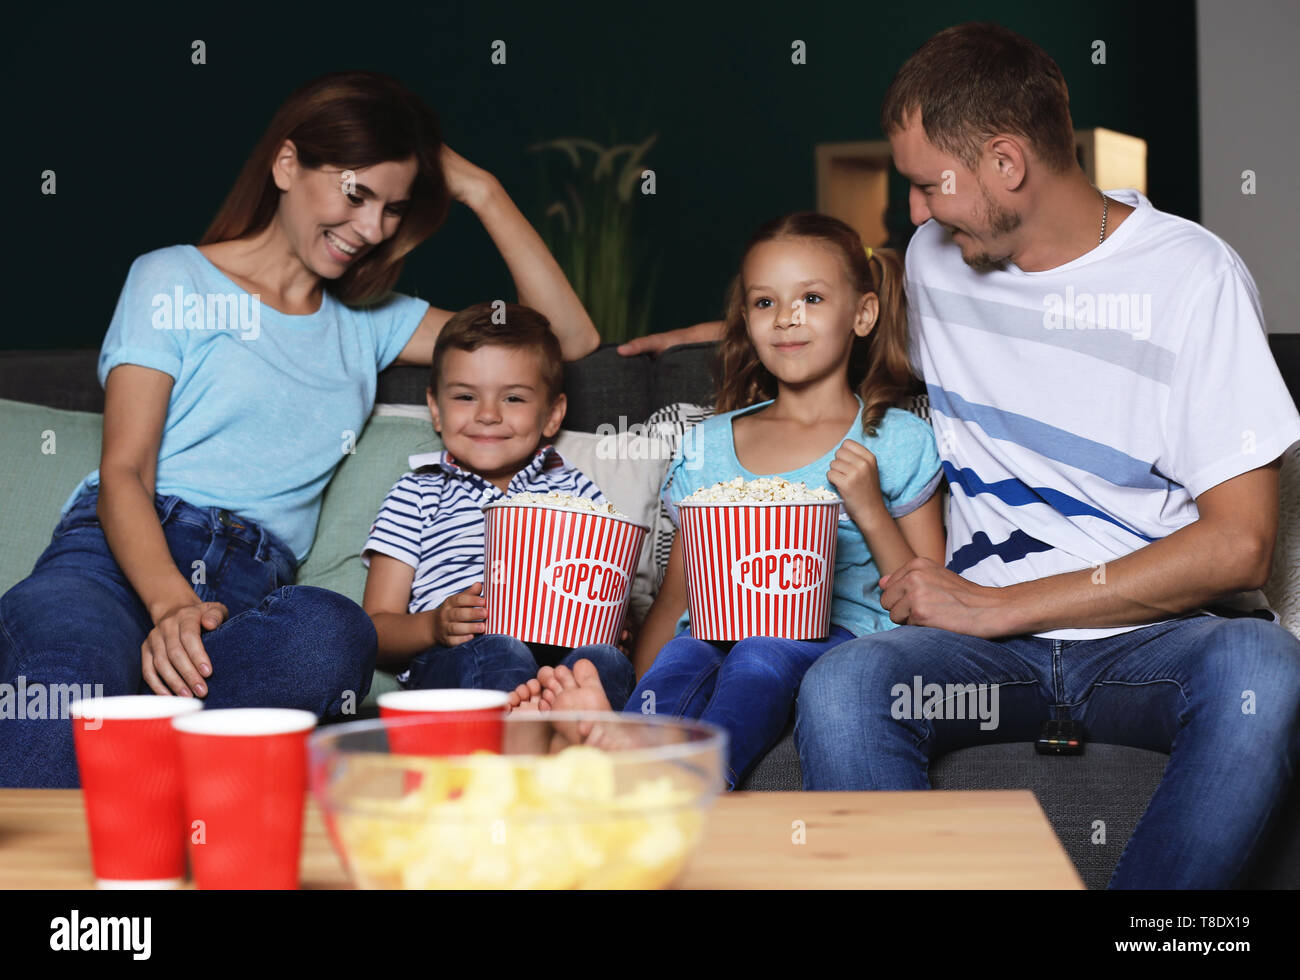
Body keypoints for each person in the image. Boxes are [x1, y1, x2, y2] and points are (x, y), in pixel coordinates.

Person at [785, 23, 1299, 889]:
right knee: (844, 687)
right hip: (984, 665)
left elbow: (1240, 544)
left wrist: (1000, 606)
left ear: (1006, 163)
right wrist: (724, 339)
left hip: (1147, 648)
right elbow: (829, 313)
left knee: (1264, 668)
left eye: (924, 185)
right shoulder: (934, 259)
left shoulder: (1193, 281)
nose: (912, 211)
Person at [0, 71, 600, 789]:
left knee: (334, 635)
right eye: (356, 193)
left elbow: (564, 339)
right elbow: (126, 470)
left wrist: (482, 190)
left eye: (392, 208)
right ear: (287, 165)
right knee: (68, 670)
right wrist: (171, 606)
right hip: (116, 559)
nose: (372, 228)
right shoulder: (172, 280)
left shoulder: (370, 320)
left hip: (249, 590)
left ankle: (142, 779)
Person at [512, 212, 947, 790]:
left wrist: (866, 507)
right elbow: (677, 598)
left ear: (862, 314)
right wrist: (640, 682)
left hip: (841, 640)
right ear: (745, 317)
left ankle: (698, 776)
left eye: (812, 298)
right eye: (764, 302)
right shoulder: (706, 445)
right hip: (713, 624)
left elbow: (929, 602)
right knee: (685, 657)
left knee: (760, 652)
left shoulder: (895, 438)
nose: (787, 318)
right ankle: (626, 742)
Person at [359, 302, 635, 707]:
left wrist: (619, 624)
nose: (488, 415)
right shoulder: (417, 492)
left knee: (604, 662)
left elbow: (608, 579)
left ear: (553, 415)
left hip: (559, 657)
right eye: (466, 396)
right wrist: (434, 626)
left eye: (514, 399)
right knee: (502, 652)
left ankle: (568, 747)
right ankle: (513, 749)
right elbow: (375, 630)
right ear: (435, 409)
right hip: (455, 656)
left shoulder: (574, 488)